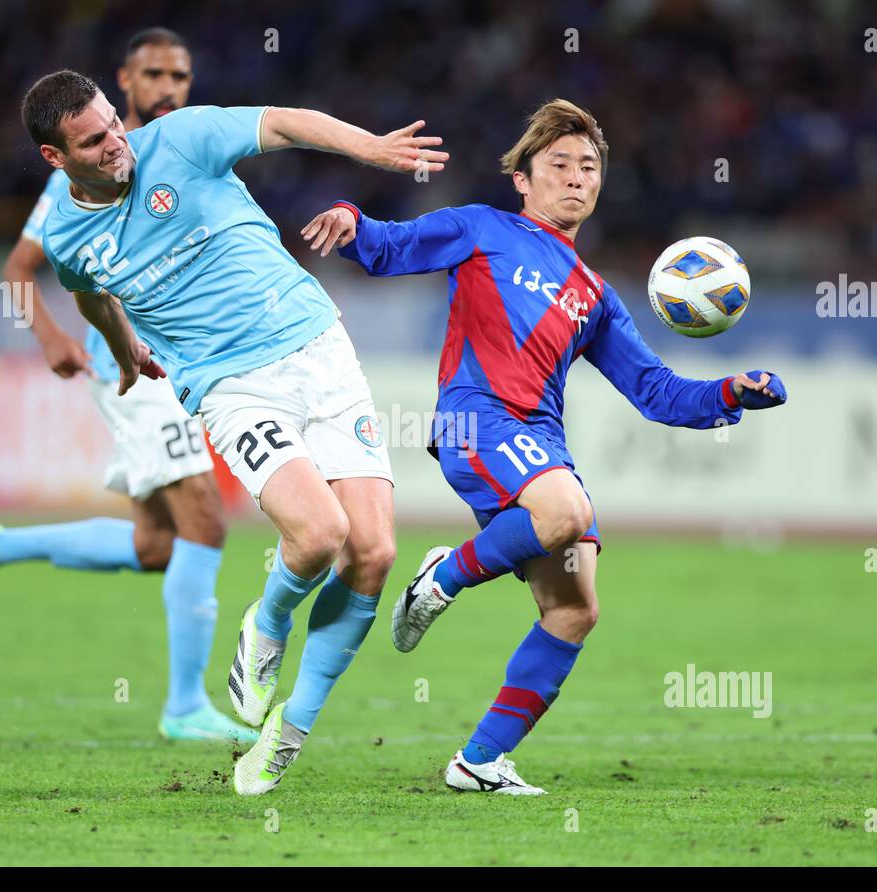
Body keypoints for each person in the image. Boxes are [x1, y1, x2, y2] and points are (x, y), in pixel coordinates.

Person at [301, 99, 786, 794]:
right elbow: (386, 247)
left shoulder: (596, 296)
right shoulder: (480, 228)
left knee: (575, 608)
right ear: (522, 179)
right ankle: (442, 577)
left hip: (537, 442)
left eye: (589, 167)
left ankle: (479, 760)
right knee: (564, 509)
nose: (576, 178)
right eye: (558, 164)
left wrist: (733, 393)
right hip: (476, 422)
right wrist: (351, 220)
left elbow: (660, 394)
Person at [19, 67, 448, 794]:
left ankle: (287, 732)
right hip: (231, 384)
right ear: (55, 158)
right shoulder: (65, 233)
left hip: (319, 347)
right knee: (318, 536)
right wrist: (127, 355)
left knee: (372, 553)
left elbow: (282, 122)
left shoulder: (179, 139)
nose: (117, 144)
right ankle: (267, 621)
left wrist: (369, 149)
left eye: (113, 127)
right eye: (93, 142)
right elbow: (90, 299)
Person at [0, 29, 253, 744]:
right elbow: (23, 264)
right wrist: (50, 335)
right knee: (204, 520)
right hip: (131, 369)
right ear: (124, 82)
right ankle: (183, 708)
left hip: (182, 361)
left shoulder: (180, 152)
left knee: (158, 546)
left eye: (181, 73)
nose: (169, 86)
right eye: (154, 75)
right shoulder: (83, 170)